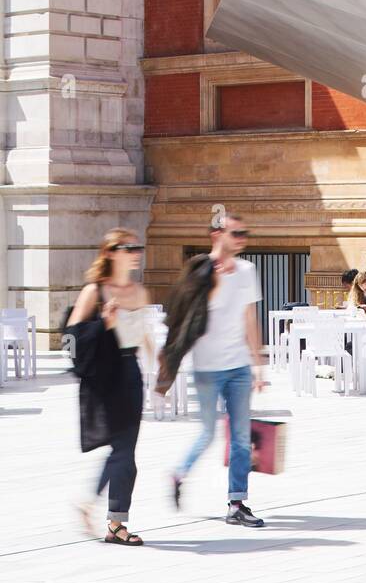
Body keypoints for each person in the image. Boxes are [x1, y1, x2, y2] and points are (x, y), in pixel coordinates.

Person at [162, 213, 268, 526]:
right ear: (216, 235)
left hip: (237, 366)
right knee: (208, 433)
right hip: (207, 367)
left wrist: (258, 364)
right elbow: (182, 313)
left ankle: (237, 503)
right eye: (236, 233)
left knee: (239, 437)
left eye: (244, 233)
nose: (242, 239)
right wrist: (212, 282)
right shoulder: (200, 270)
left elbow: (250, 318)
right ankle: (178, 473)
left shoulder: (247, 271)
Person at [66, 229, 153, 545]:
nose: (135, 252)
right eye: (128, 247)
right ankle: (114, 521)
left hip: (132, 372)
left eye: (137, 247)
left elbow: (145, 336)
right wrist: (104, 323)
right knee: (124, 451)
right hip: (107, 374)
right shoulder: (95, 291)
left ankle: (95, 507)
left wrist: (160, 373)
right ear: (110, 252)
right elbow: (71, 336)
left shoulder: (139, 291)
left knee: (123, 449)